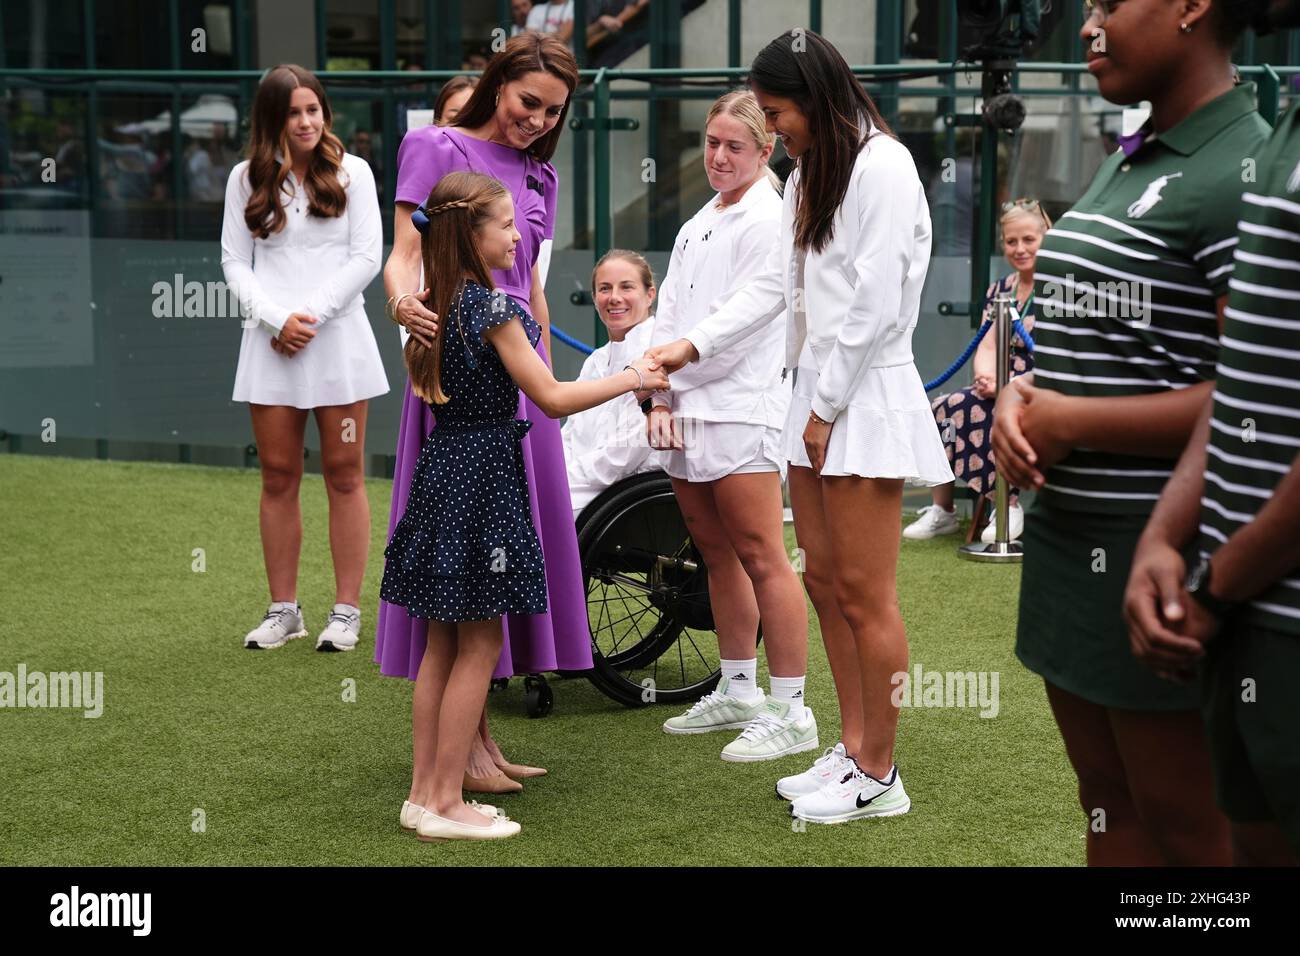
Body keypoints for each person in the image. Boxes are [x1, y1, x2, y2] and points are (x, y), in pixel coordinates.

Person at [990, 0, 1271, 865]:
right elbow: (1112, 341)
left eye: (1111, 3)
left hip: (1168, 554)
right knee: (1107, 803)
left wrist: (1074, 421)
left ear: (1193, 7)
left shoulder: (1245, 169)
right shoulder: (1135, 153)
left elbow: (1268, 395)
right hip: (1074, 551)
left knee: (1193, 838)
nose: (1088, 25)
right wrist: (1024, 394)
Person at [650, 31, 950, 822]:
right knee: (822, 581)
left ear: (815, 98)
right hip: (811, 396)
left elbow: (876, 299)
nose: (774, 130)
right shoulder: (813, 170)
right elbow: (775, 294)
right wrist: (690, 346)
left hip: (859, 397)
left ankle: (880, 775)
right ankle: (852, 750)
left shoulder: (883, 165)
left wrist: (823, 407)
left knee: (864, 593)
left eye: (778, 114)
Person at [383, 171, 668, 841]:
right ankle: (447, 804)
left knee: (442, 644)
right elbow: (553, 397)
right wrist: (635, 377)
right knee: (480, 642)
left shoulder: (432, 305)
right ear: (473, 235)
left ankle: (424, 793)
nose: (520, 235)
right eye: (508, 225)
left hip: (442, 474)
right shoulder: (491, 309)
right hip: (482, 478)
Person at [377, 33, 585, 796]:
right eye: (528, 101)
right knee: (462, 576)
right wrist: (403, 305)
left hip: (520, 385)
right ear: (500, 83)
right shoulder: (432, 146)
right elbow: (403, 253)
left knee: (491, 579)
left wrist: (548, 391)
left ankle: (481, 746)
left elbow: (529, 285)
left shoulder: (543, 175)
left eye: (553, 111)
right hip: (457, 382)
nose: (536, 119)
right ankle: (457, 761)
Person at [1123, 0, 1300, 867]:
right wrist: (1167, 535)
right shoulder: (1287, 129)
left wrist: (1217, 585)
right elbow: (1245, 381)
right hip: (1240, 612)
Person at [647, 90, 812, 762]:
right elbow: (669, 312)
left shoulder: (771, 217)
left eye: (733, 146)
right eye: (711, 143)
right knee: (715, 553)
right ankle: (740, 688)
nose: (717, 156)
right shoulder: (698, 221)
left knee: (763, 556)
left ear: (763, 150)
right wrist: (656, 391)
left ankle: (794, 710)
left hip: (742, 410)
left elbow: (748, 318)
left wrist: (676, 364)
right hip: (687, 410)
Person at [221, 64, 387, 652]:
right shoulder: (245, 179)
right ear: (273, 118)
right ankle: (284, 611)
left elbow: (368, 256)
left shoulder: (355, 173)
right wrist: (275, 320)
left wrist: (305, 317)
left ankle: (346, 612)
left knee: (344, 475)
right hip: (269, 350)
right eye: (293, 112)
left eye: (313, 109)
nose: (306, 121)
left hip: (338, 347)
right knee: (278, 477)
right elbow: (234, 263)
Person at [905, 198, 1048, 542]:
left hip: (1039, 389)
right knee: (944, 407)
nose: (1020, 248)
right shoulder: (1001, 290)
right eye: (1012, 241)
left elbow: (1062, 355)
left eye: (1029, 240)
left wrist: (1008, 386)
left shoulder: (1062, 290)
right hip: (998, 382)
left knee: (998, 412)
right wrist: (986, 376)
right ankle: (944, 510)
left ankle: (1007, 503)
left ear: (1047, 237)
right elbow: (985, 345)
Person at [562, 249, 664, 516]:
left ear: (650, 294)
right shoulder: (596, 360)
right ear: (594, 298)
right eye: (604, 288)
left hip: (623, 497)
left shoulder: (658, 352)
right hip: (581, 485)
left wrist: (565, 483)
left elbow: (630, 449)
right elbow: (571, 433)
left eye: (626, 287)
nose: (614, 297)